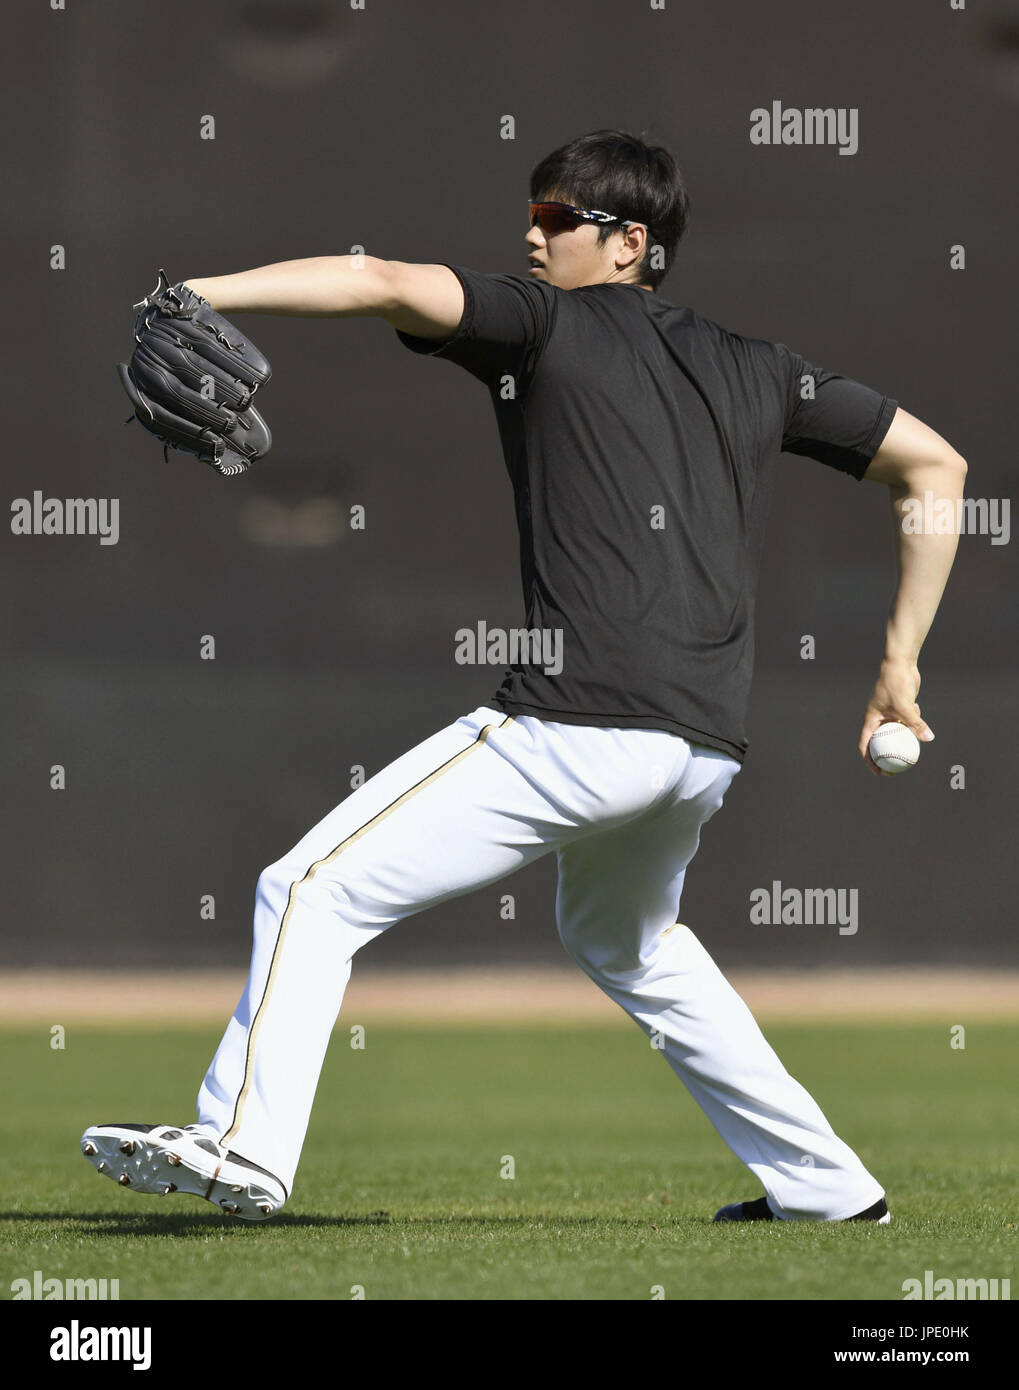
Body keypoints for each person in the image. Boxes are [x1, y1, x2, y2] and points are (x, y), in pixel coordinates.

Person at [81, 130, 966, 1225]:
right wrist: (896, 663)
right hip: (699, 746)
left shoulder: (541, 323)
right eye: (533, 215)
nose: (531, 235)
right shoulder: (760, 368)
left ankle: (240, 1146)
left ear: (629, 242)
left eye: (556, 218)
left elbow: (373, 279)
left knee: (308, 889)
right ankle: (826, 1190)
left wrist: (195, 291)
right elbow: (935, 464)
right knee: (627, 940)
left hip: (581, 720)